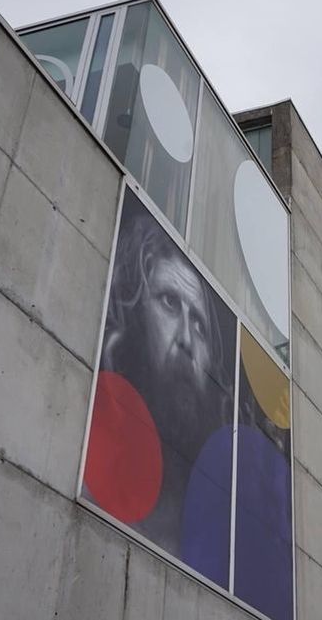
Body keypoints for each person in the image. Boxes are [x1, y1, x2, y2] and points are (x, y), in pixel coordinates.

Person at [100, 197, 235, 560]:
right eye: (170, 304)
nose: (187, 340)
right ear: (133, 315)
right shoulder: (95, 472)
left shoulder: (217, 528)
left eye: (199, 325)